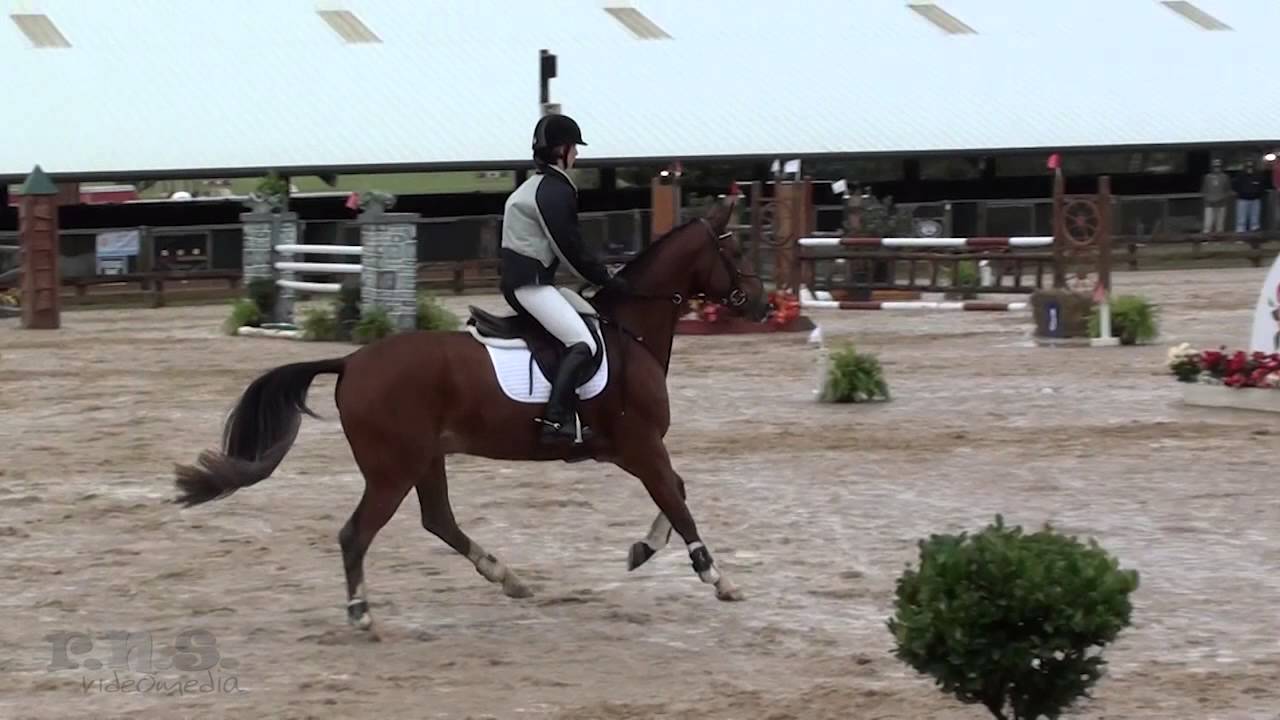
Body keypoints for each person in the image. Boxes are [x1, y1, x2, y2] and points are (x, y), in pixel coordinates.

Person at [499, 113, 628, 444]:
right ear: (561, 150)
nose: (577, 154)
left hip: (536, 281)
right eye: (574, 147)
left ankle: (587, 414)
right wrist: (606, 279)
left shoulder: (539, 186)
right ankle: (555, 420)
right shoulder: (553, 190)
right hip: (530, 284)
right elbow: (570, 247)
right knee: (582, 342)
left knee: (591, 316)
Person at [1233, 159, 1265, 233]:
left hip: (1255, 199)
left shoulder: (1258, 175)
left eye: (1251, 166)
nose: (1249, 168)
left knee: (1255, 220)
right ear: (1245, 166)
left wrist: (1258, 194)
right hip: (1243, 199)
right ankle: (1241, 234)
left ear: (1254, 166)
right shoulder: (1240, 175)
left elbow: (1262, 186)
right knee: (1241, 220)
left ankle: (1254, 234)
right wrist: (1240, 194)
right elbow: (1235, 186)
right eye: (1248, 166)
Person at [1201, 158, 1231, 234]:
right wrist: (1207, 199)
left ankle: (1219, 237)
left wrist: (1224, 198)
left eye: (1218, 166)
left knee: (1220, 224)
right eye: (1215, 166)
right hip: (1209, 203)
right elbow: (1204, 189)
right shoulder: (1207, 177)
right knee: (1208, 223)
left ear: (1221, 167)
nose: (1217, 168)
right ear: (1212, 167)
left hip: (1221, 202)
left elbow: (1227, 190)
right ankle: (1206, 236)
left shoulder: (1225, 177)